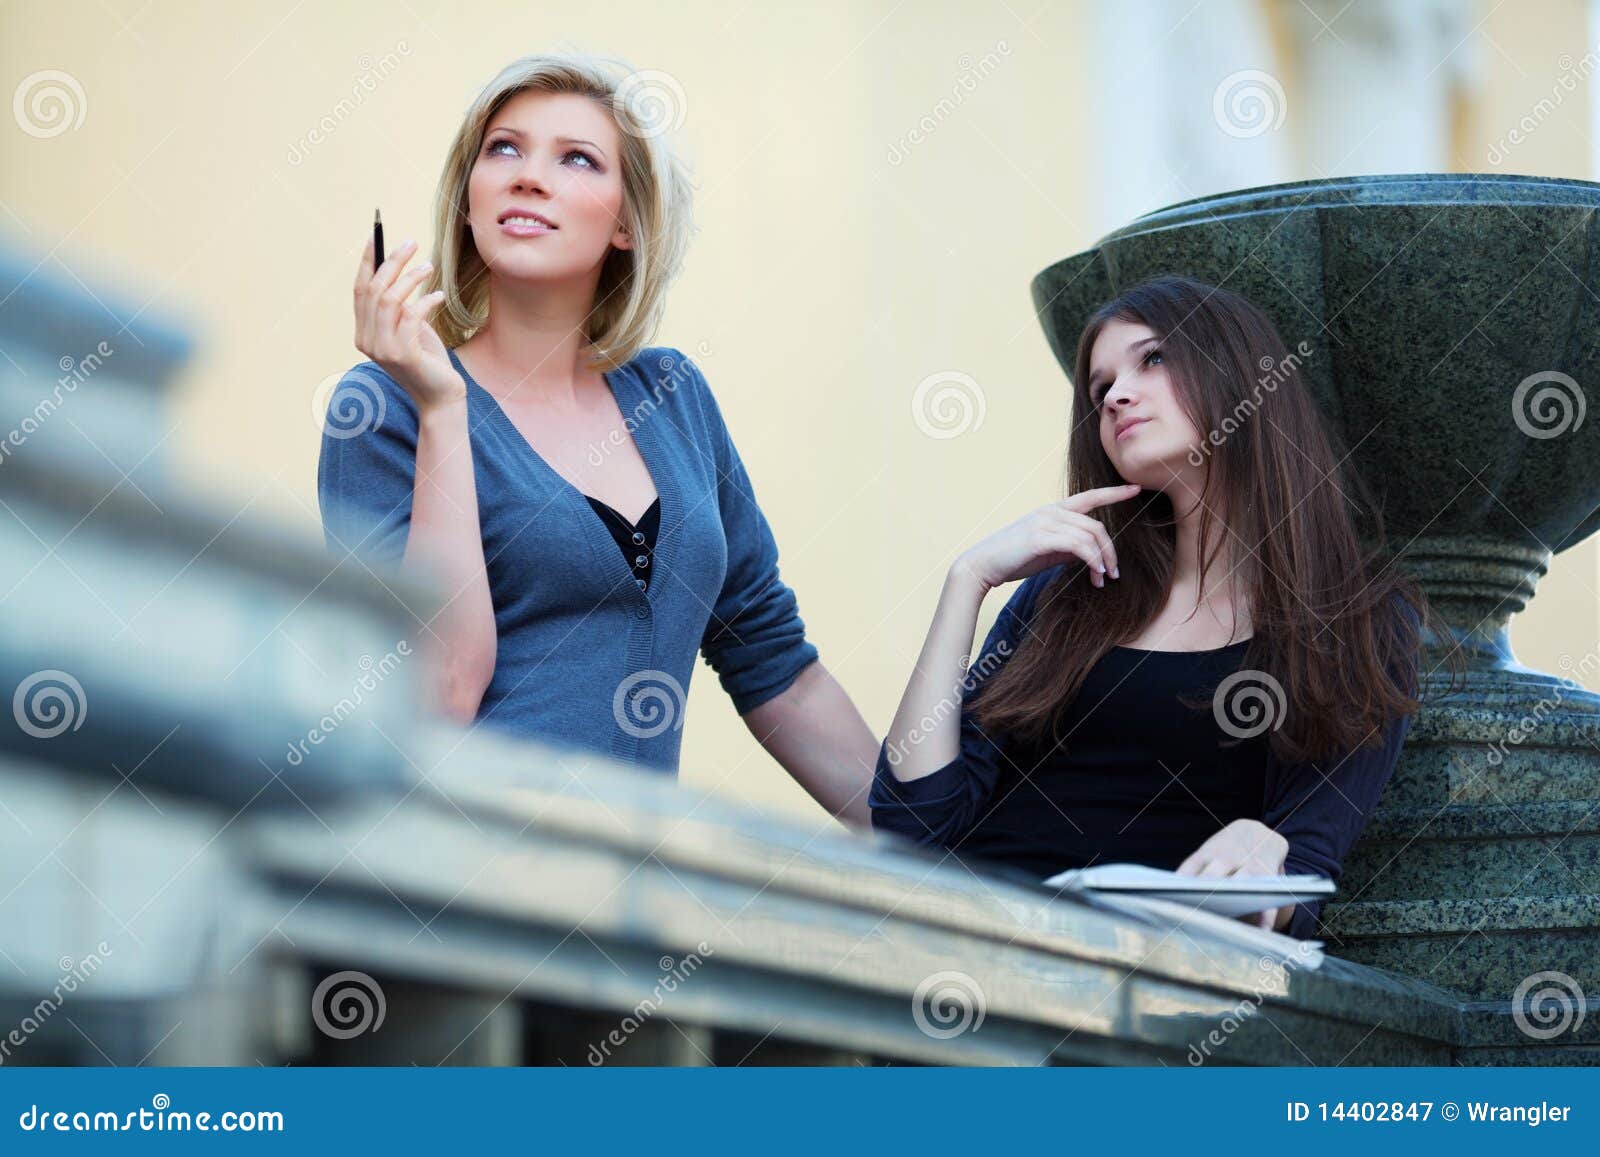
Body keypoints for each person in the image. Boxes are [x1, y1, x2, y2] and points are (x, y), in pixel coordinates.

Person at [318, 52, 875, 826]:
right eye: (503, 148)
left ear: (625, 224)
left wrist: (942, 858)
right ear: (469, 196)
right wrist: (444, 406)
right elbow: (435, 694)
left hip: (628, 912)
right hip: (458, 890)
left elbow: (776, 665)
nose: (527, 175)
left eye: (576, 158)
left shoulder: (673, 397)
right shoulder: (387, 407)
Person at [870, 274, 1465, 936]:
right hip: (971, 954)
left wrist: (1266, 850)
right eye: (1100, 390)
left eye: (1153, 358)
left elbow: (1299, 888)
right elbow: (912, 825)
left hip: (1143, 995)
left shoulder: (1361, 621)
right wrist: (969, 579)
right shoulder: (1066, 595)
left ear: (1238, 375)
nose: (1118, 395)